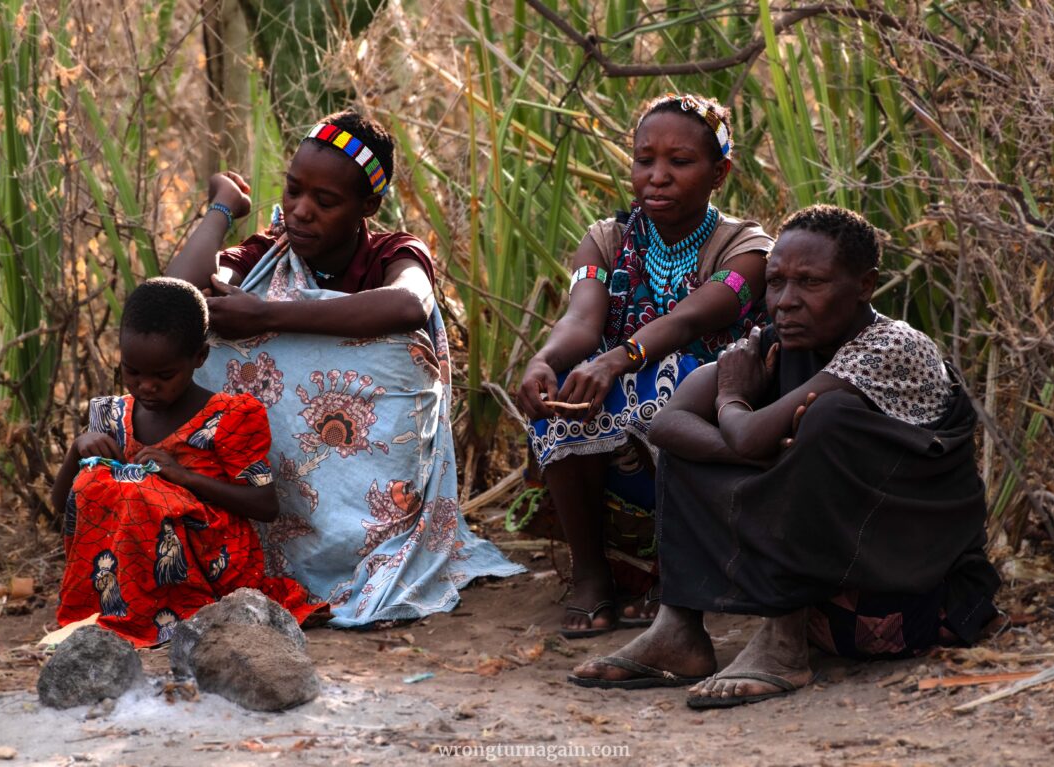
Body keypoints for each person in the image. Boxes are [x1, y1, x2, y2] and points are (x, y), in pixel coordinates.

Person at [569, 204, 1000, 707]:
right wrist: (759, 452)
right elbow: (668, 423)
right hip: (829, 572)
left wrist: (733, 400)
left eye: (810, 283)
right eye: (776, 283)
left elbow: (750, 434)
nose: (786, 302)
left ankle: (783, 641)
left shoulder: (891, 346)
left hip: (905, 584)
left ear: (865, 286)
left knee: (827, 419)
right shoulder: (784, 341)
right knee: (693, 442)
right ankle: (678, 631)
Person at [164, 109, 522, 628]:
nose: (300, 211)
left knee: (398, 347)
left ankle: (353, 549)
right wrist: (223, 207)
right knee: (207, 334)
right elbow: (176, 299)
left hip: (374, 504)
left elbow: (407, 306)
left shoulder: (393, 253)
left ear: (367, 206)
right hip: (272, 491)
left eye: (324, 201)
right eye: (292, 191)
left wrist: (267, 316)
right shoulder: (271, 251)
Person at [515, 94, 773, 638]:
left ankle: (677, 572)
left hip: (715, 431)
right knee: (564, 392)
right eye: (644, 160)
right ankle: (591, 574)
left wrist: (615, 361)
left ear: (719, 172)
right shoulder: (607, 239)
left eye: (679, 163)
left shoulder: (747, 249)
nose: (656, 177)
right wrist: (545, 360)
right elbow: (581, 320)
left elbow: (687, 322)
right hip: (626, 451)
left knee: (676, 378)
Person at [53, 277, 325, 646]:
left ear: (199, 357)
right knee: (97, 482)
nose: (146, 386)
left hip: (211, 564)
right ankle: (119, 613)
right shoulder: (111, 417)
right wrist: (76, 450)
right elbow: (64, 505)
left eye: (164, 376)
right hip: (119, 575)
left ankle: (168, 617)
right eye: (132, 371)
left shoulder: (230, 417)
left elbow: (265, 506)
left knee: (140, 494)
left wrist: (183, 477)